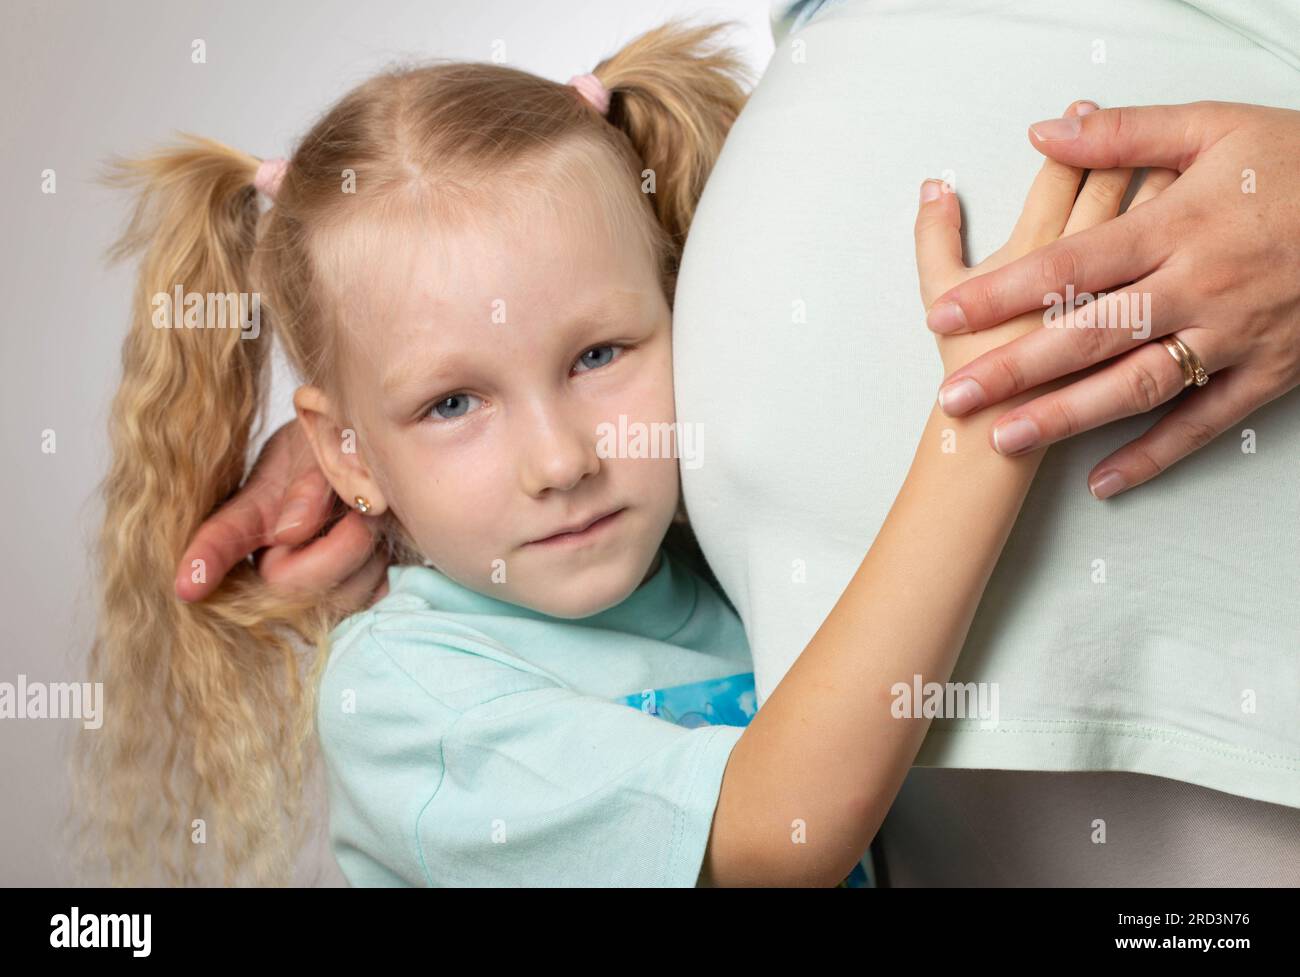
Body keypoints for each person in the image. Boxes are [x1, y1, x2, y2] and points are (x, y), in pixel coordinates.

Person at [84, 17, 1143, 887]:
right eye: (453, 402)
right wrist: (984, 421)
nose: (560, 459)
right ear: (343, 452)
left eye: (598, 352)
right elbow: (771, 842)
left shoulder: (706, 569)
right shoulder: (410, 693)